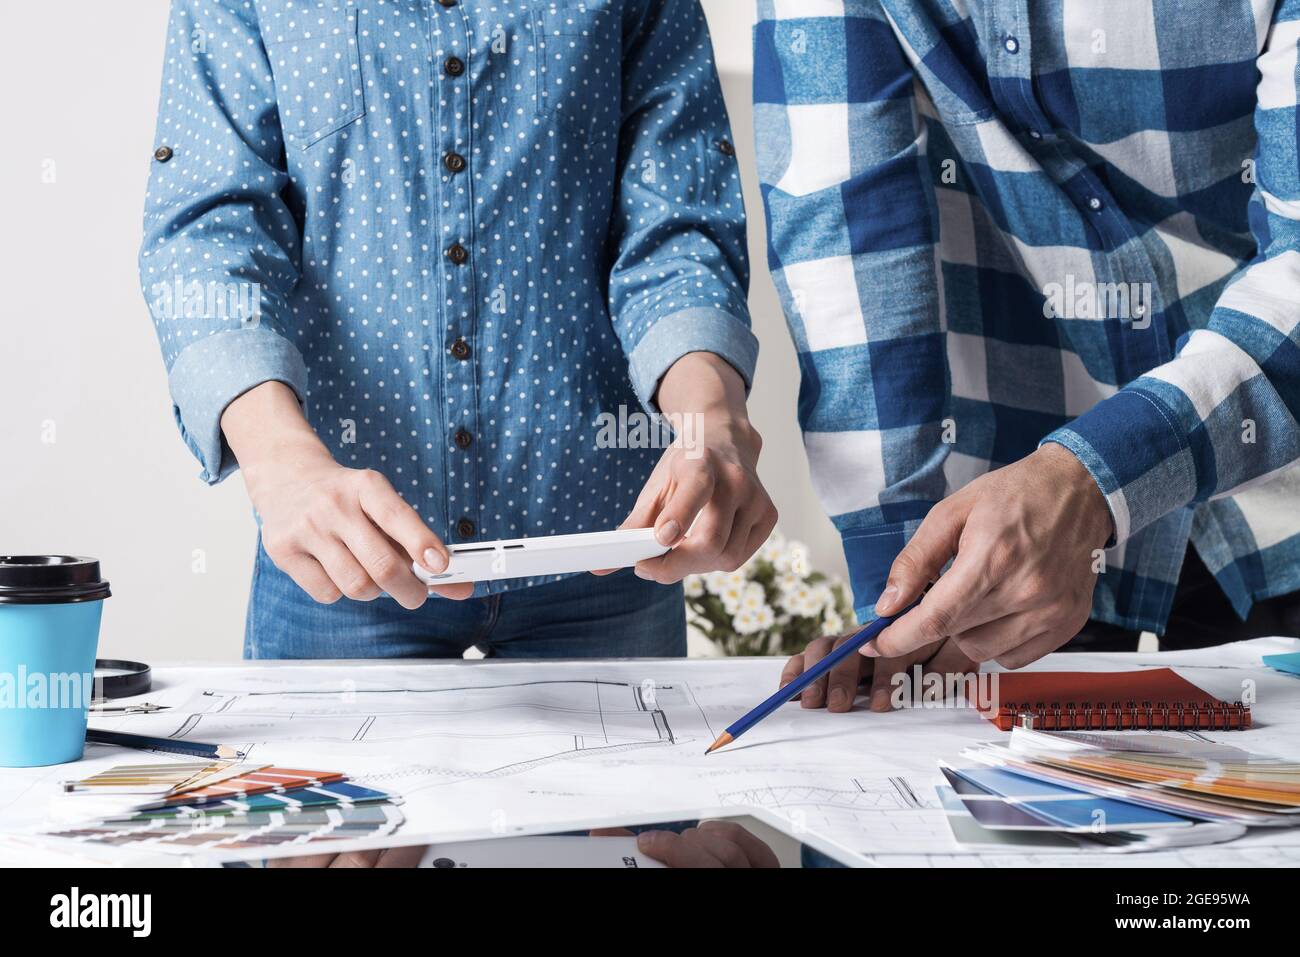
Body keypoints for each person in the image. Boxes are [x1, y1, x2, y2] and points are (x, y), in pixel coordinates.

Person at [140, 0, 775, 659]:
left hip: (609, 557)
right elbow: (208, 236)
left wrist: (712, 423)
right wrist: (281, 464)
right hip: (344, 566)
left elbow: (677, 223)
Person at [755, 0, 1300, 709]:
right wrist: (901, 574)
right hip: (1009, 533)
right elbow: (844, 223)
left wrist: (1092, 479)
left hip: (1277, 492)